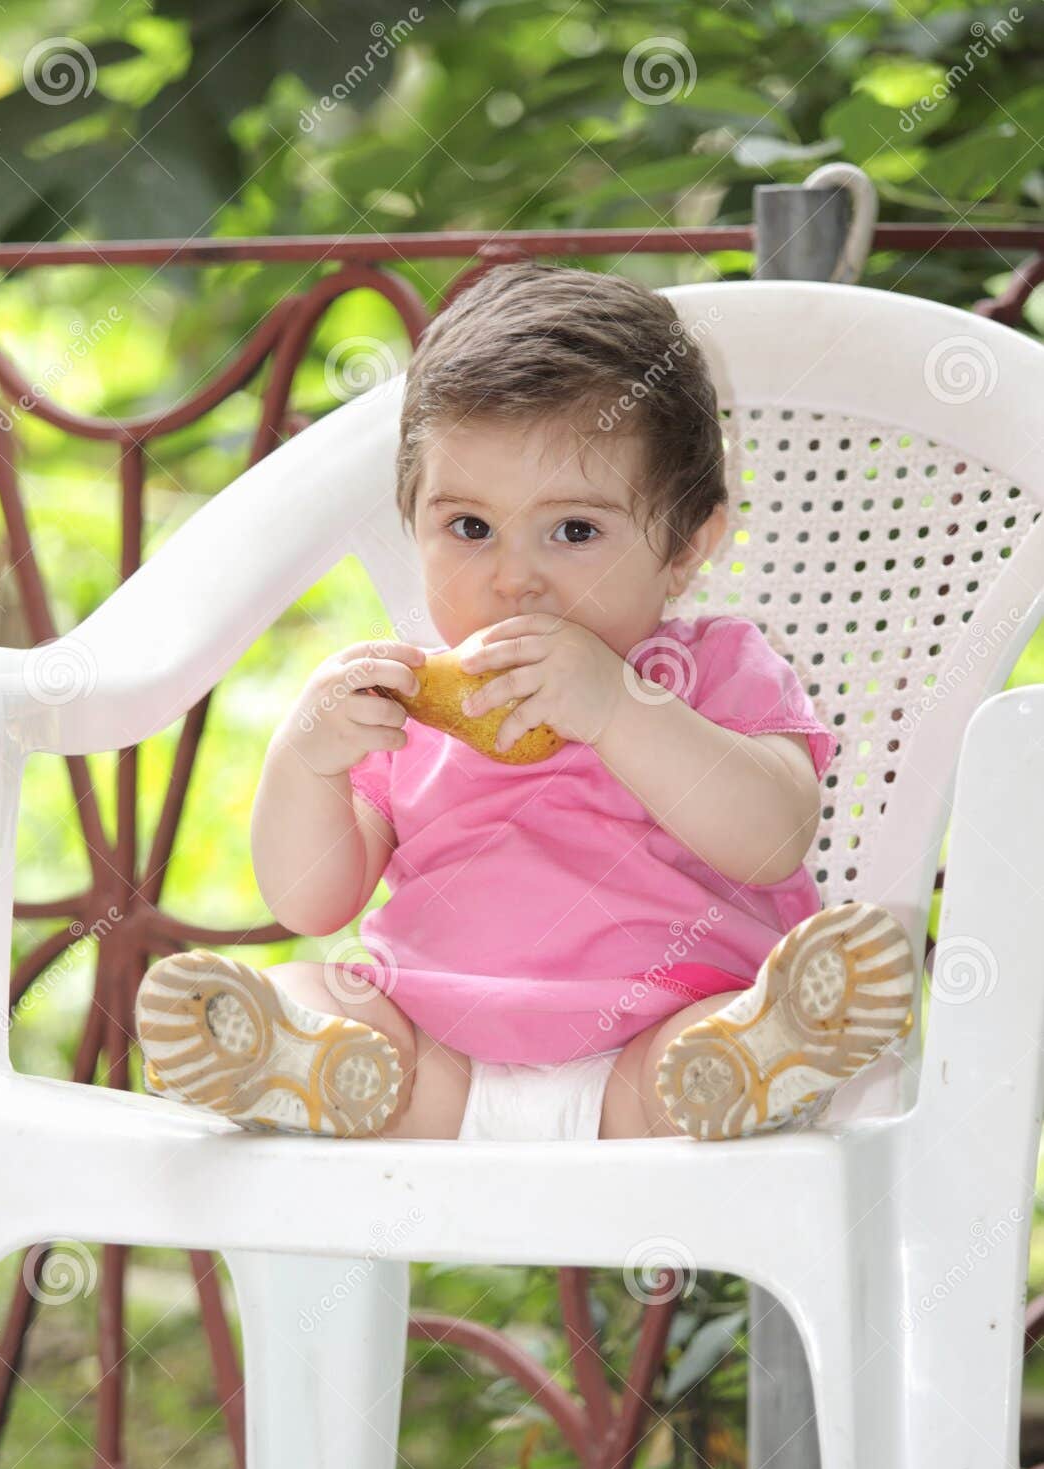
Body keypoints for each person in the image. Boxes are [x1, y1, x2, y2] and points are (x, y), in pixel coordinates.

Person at [136, 261, 914, 1145]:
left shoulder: (710, 671)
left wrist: (618, 710)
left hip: (656, 1057)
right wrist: (305, 760)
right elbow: (311, 902)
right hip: (431, 1066)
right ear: (415, 525)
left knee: (714, 1043)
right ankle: (287, 1060)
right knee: (309, 993)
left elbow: (772, 840)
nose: (513, 578)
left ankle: (756, 1057)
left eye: (575, 531)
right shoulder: (411, 704)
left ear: (685, 548)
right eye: (469, 529)